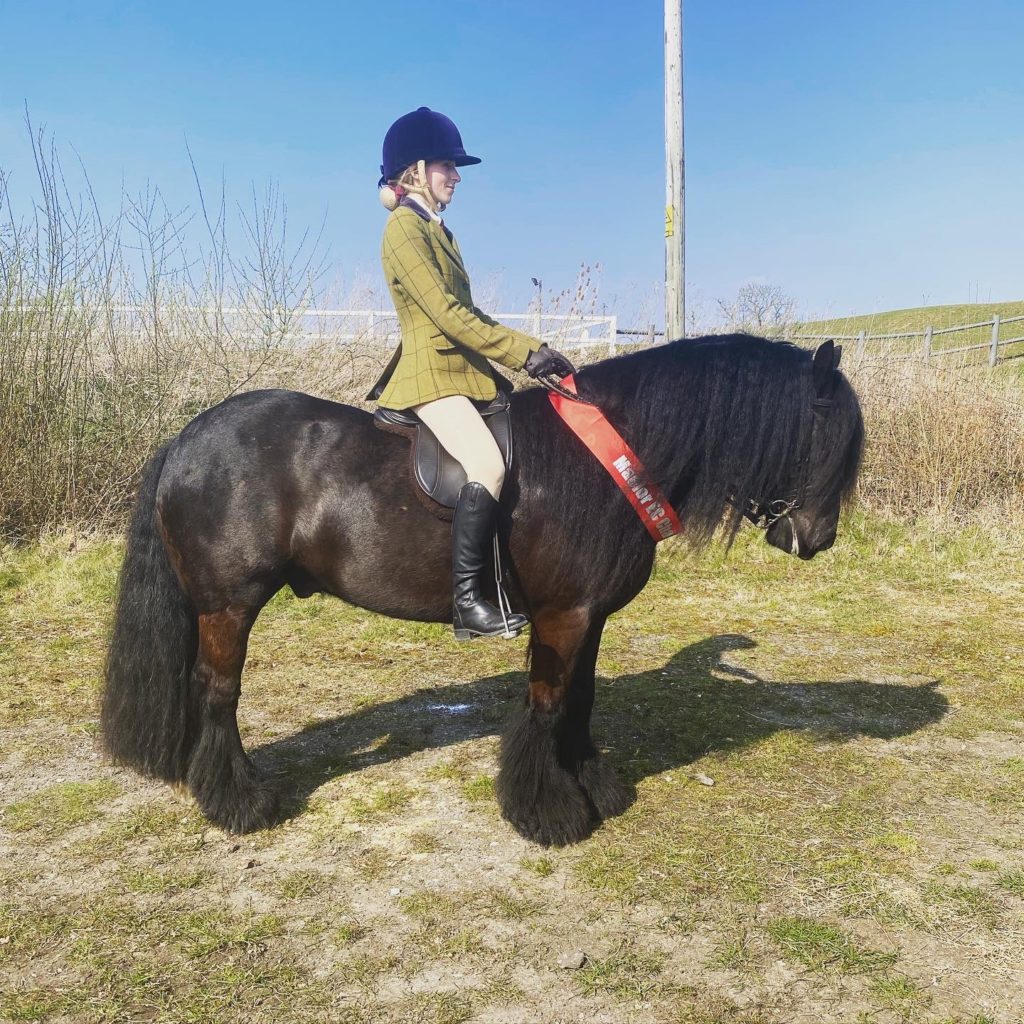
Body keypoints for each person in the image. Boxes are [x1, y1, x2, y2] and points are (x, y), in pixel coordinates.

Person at [369, 107, 576, 641]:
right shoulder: (404, 229)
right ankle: (466, 603)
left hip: (463, 373)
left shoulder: (438, 230)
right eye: (447, 165)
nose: (456, 176)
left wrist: (535, 349)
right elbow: (446, 315)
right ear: (417, 169)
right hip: (430, 375)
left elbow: (472, 312)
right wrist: (522, 357)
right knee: (486, 462)